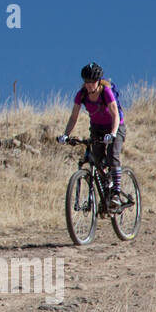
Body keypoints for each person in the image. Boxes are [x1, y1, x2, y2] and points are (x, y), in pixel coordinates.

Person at [57, 63, 125, 211]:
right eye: (86, 81)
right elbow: (73, 117)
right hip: (97, 128)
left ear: (98, 81)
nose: (89, 85)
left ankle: (116, 194)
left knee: (112, 155)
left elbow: (115, 115)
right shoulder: (81, 94)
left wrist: (113, 134)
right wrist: (65, 135)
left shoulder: (106, 92)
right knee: (97, 160)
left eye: (92, 82)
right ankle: (104, 197)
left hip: (115, 126)